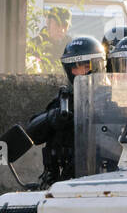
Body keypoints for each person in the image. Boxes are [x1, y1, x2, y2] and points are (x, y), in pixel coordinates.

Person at [20, 36, 106, 187]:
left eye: (86, 66)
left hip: (103, 182)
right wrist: (51, 118)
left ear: (98, 66)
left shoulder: (109, 100)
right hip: (62, 184)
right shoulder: (64, 101)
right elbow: (32, 132)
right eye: (75, 68)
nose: (80, 72)